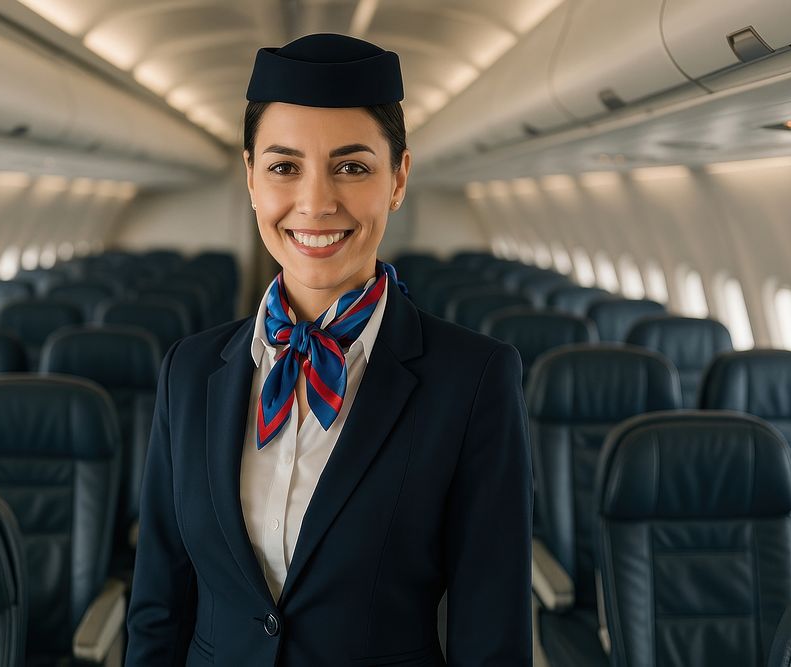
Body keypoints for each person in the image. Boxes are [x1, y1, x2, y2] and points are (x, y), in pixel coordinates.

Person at [125, 32, 533, 666]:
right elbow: (158, 611)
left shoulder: (474, 380)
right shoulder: (190, 370)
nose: (315, 203)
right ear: (251, 178)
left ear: (398, 178)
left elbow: (492, 640)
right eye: (284, 167)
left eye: (352, 167)